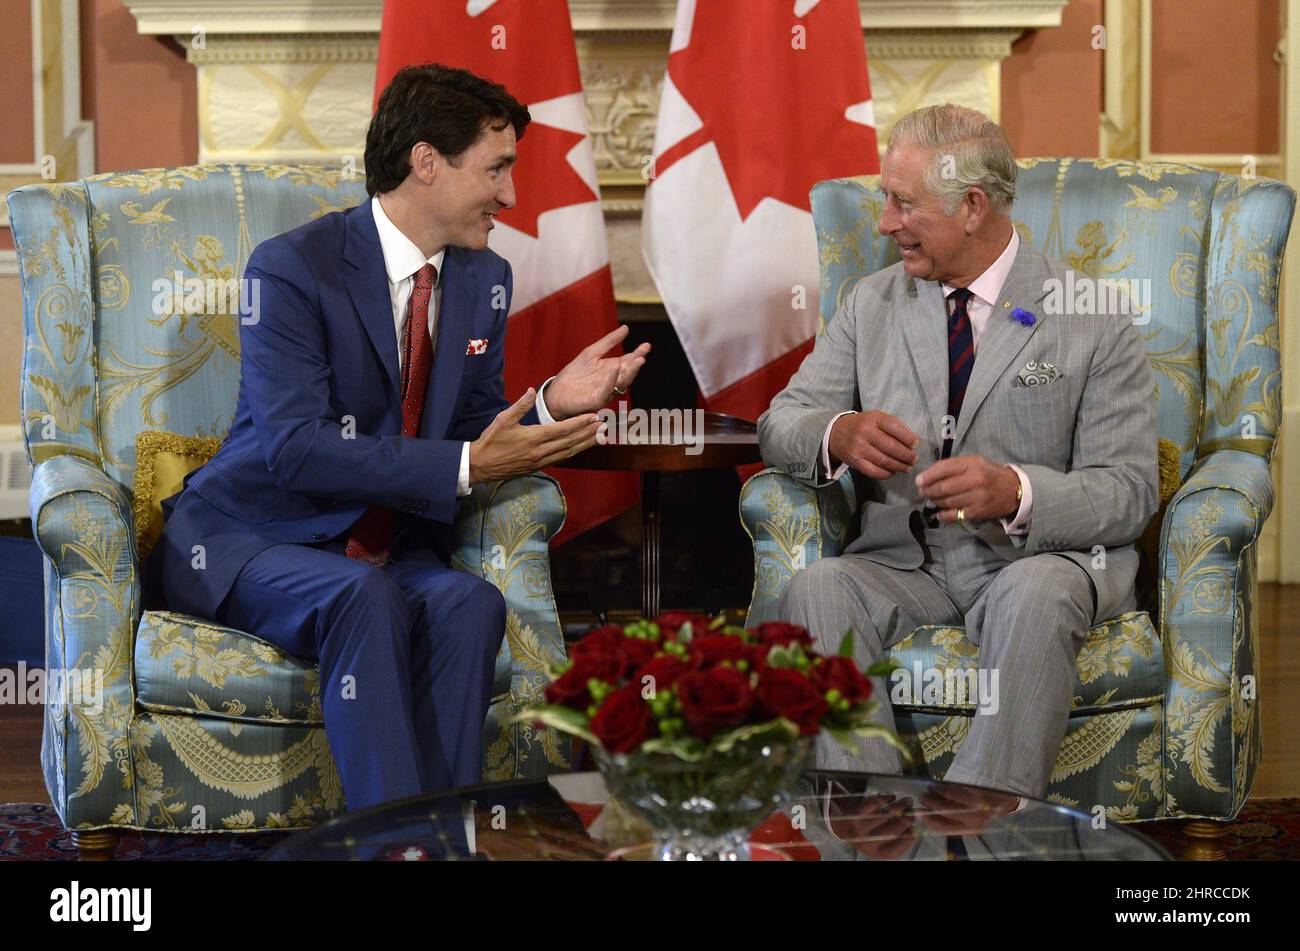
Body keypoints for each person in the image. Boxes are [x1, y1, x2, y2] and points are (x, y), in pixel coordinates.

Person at [151, 64, 650, 810]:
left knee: (468, 604)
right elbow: (296, 448)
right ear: (426, 162)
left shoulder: (483, 278)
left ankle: (443, 836)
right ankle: (397, 848)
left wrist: (548, 402)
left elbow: (468, 427)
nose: (510, 195)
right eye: (497, 168)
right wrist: (468, 463)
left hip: (379, 552)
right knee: (364, 597)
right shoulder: (291, 269)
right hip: (252, 538)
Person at [758, 103, 1157, 799]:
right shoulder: (871, 303)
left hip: (1031, 562)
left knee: (1039, 591)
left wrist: (1016, 491)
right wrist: (838, 430)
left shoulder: (1093, 316)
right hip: (905, 566)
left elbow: (1128, 491)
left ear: (972, 206)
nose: (884, 222)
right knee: (817, 585)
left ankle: (984, 828)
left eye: (903, 203)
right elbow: (779, 423)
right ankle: (870, 826)